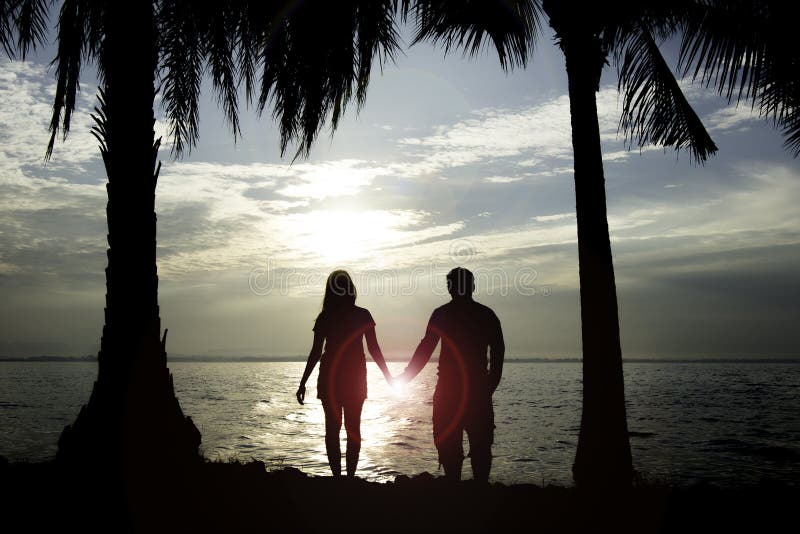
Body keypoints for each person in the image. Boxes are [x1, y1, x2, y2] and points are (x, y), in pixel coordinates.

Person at [396, 267, 504, 483]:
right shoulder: (482, 314)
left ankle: (464, 487)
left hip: (462, 392)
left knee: (471, 444)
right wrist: (490, 384)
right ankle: (471, 488)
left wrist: (490, 384)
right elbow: (498, 351)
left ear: (451, 288)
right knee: (466, 444)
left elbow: (498, 350)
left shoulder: (447, 314)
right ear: (471, 286)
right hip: (461, 391)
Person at [296, 270, 393, 477]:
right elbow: (374, 349)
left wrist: (303, 382)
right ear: (350, 289)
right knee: (353, 429)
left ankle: (339, 479)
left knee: (332, 430)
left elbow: (315, 352)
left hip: (331, 376)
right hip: (354, 378)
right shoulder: (362, 315)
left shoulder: (325, 317)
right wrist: (387, 376)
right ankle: (348, 479)